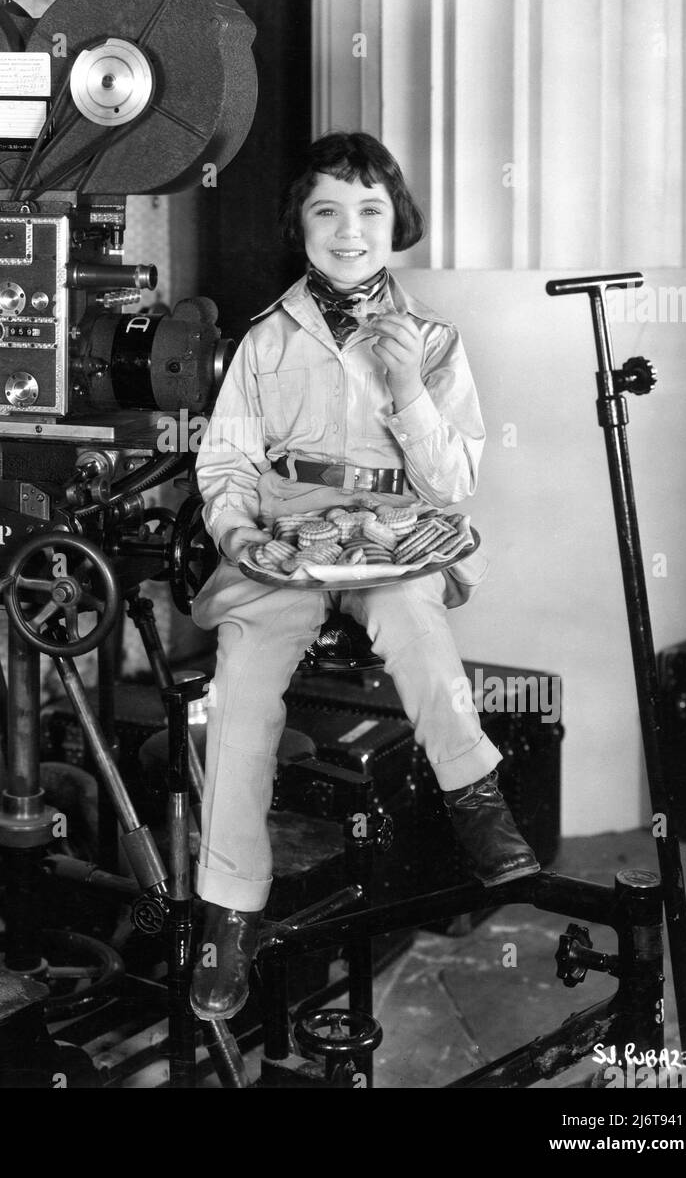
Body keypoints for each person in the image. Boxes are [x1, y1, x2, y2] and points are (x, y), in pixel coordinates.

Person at [188, 131, 540, 1022]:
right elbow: (225, 466)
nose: (350, 232)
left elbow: (455, 482)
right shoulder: (264, 339)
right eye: (327, 211)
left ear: (397, 223)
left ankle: (476, 799)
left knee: (416, 627)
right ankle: (227, 913)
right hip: (285, 541)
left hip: (395, 537)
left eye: (371, 211)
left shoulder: (432, 340)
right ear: (299, 225)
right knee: (241, 694)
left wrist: (405, 387)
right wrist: (241, 535)